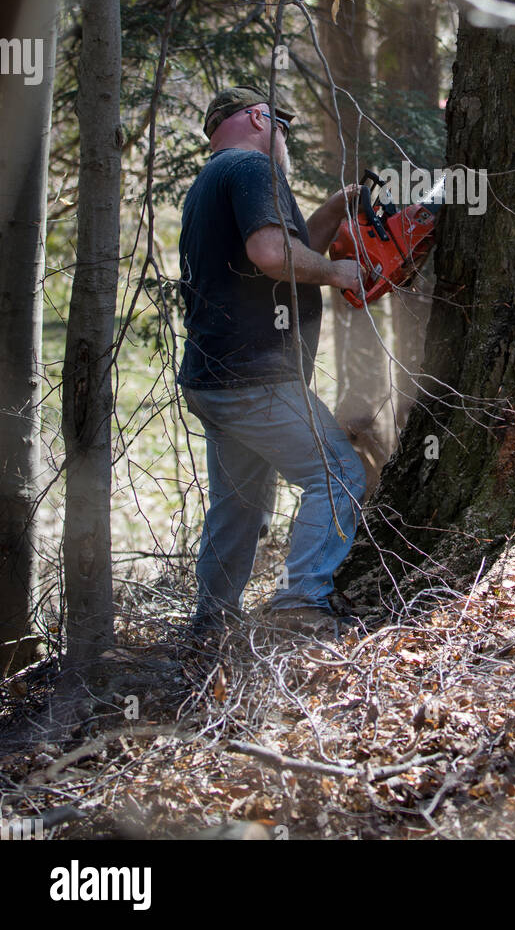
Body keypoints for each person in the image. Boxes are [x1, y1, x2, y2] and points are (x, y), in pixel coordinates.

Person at [176, 84, 368, 636]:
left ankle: (211, 624)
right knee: (337, 475)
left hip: (215, 379)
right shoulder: (253, 170)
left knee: (238, 506)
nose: (283, 140)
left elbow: (285, 245)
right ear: (260, 119)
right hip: (255, 377)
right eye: (281, 128)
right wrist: (337, 272)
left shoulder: (214, 179)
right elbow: (271, 255)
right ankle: (301, 601)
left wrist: (333, 211)